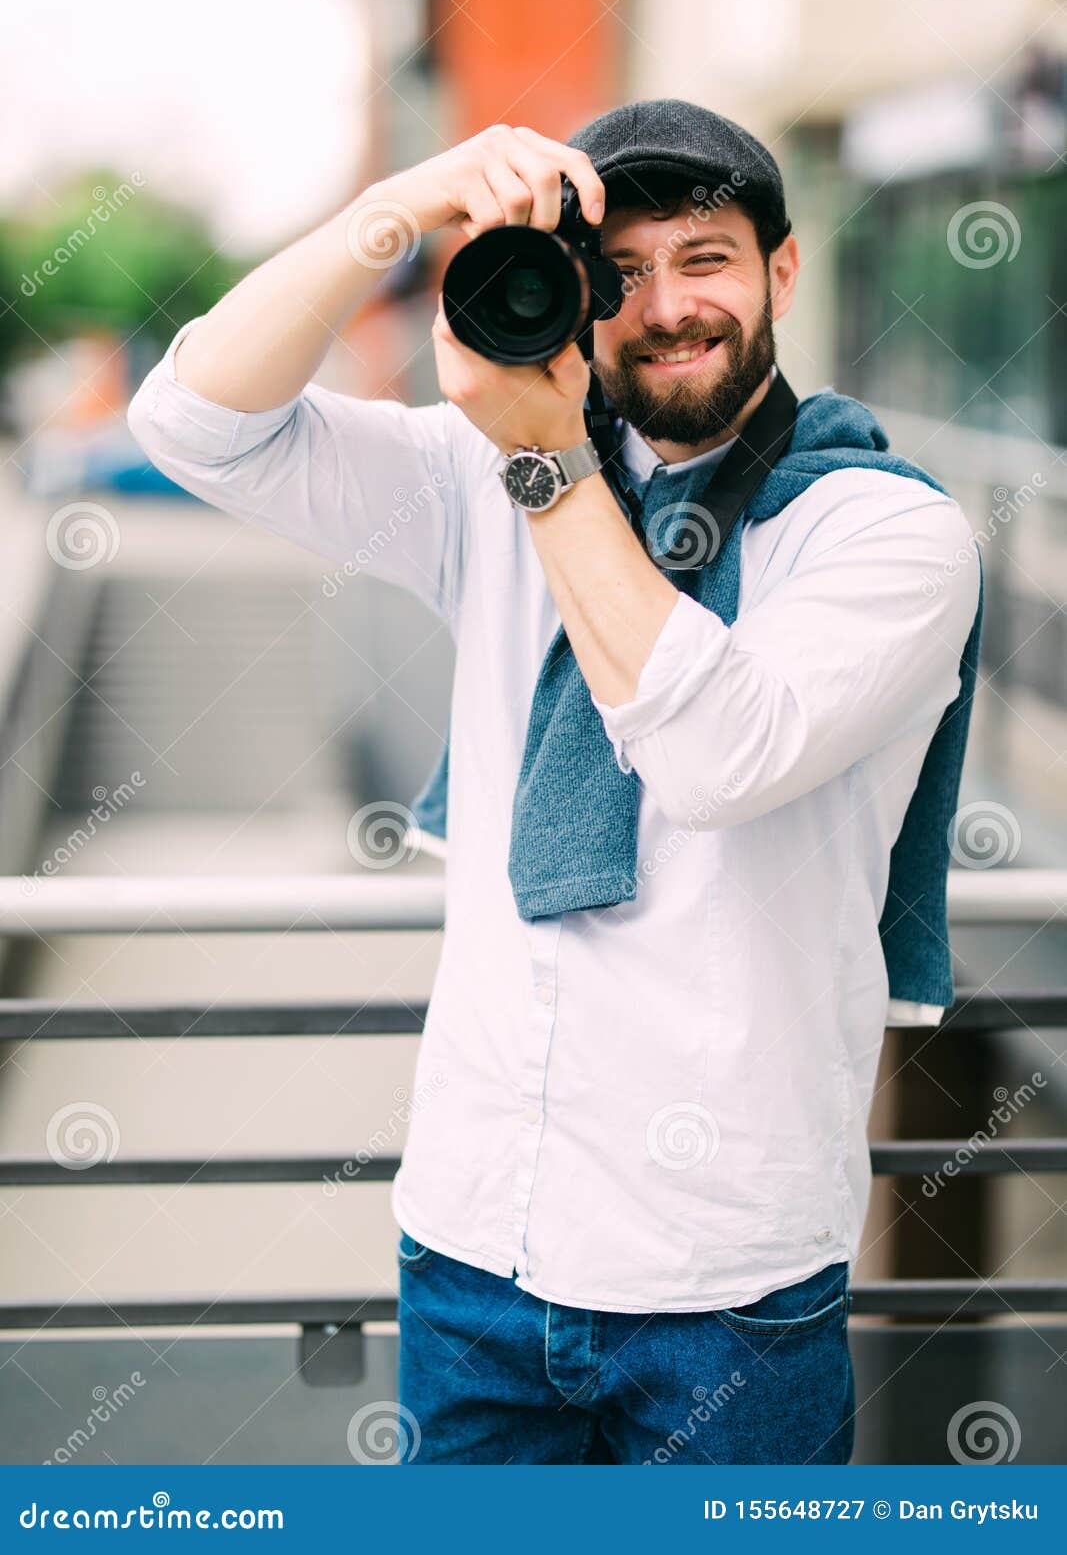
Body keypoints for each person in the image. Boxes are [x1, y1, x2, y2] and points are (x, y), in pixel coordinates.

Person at [127, 98, 982, 1466]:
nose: (664, 308)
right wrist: (405, 206)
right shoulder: (484, 481)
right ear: (573, 296)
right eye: (618, 273)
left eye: (702, 259)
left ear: (782, 272)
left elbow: (711, 750)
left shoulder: (884, 530)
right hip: (475, 1250)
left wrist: (545, 457)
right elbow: (194, 424)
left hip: (727, 1288)